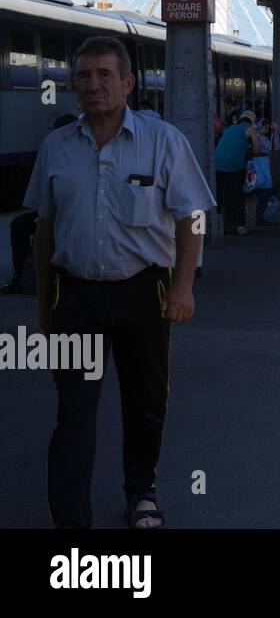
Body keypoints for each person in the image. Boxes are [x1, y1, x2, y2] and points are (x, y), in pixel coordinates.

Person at [24, 35, 215, 528]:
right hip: (77, 295)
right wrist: (45, 308)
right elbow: (44, 229)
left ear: (128, 83)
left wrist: (184, 285)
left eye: (105, 75)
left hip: (143, 291)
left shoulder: (163, 140)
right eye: (83, 76)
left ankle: (141, 491)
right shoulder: (57, 147)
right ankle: (70, 519)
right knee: (74, 409)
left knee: (145, 398)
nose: (93, 85)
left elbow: (192, 215)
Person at [2, 114, 79, 295]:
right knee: (20, 225)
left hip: (73, 215)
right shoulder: (52, 152)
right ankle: (20, 275)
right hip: (52, 213)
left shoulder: (83, 155)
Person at [213, 109, 260, 235]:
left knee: (220, 195)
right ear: (252, 121)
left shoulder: (231, 128)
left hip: (217, 163)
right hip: (234, 164)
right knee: (237, 194)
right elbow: (257, 149)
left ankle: (219, 225)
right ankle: (240, 226)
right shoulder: (251, 128)